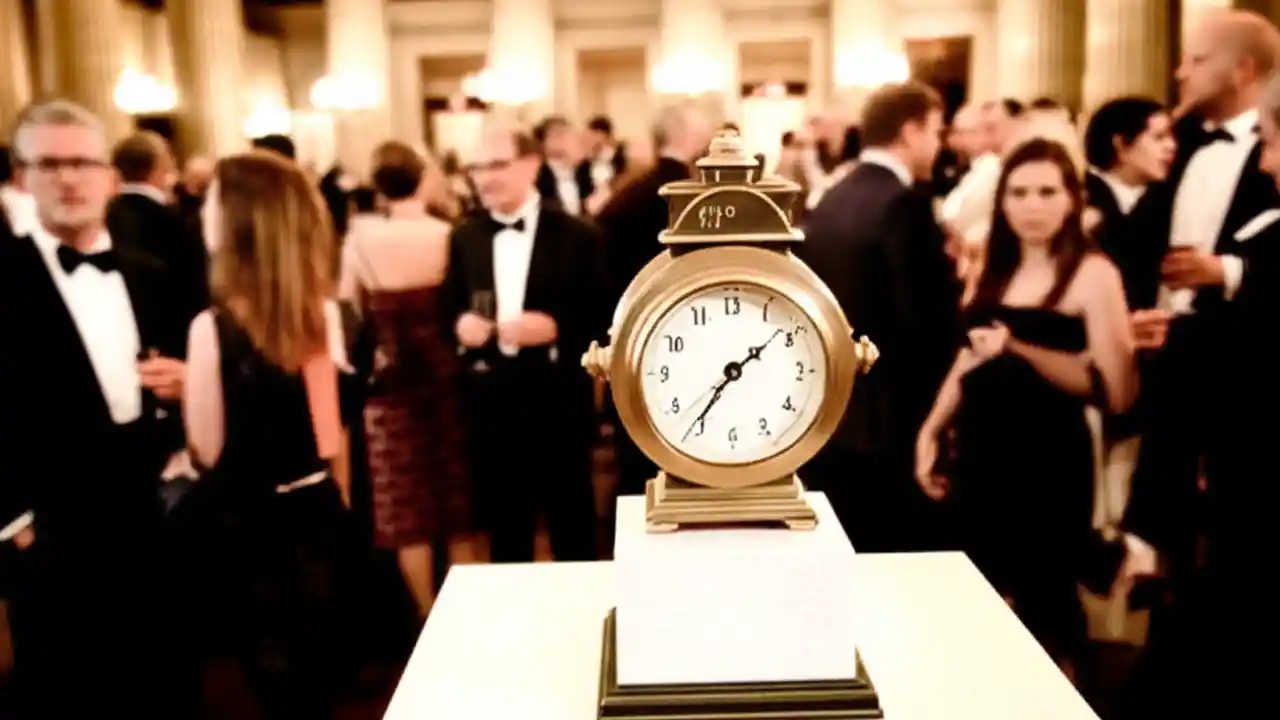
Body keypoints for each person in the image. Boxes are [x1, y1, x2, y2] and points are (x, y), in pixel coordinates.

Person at [0, 99, 195, 716]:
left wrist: (191, 388)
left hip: (157, 523)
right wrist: (13, 525)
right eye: (49, 163)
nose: (68, 178)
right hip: (53, 535)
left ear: (110, 175)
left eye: (82, 162)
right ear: (21, 177)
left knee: (168, 685)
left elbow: (201, 380)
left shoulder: (154, 272)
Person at [915, 138, 1136, 671]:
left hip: (1050, 465)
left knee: (1047, 608)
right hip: (980, 458)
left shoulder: (1094, 274)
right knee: (979, 604)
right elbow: (970, 356)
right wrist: (929, 431)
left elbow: (1116, 389)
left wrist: (1019, 348)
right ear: (1002, 200)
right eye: (1018, 192)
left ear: (1071, 199)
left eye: (1046, 191)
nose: (1032, 206)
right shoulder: (994, 264)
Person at [185, 150, 354, 717]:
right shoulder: (326, 315)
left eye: (212, 199)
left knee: (269, 681)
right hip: (315, 511)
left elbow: (206, 448)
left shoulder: (211, 327)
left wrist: (191, 387)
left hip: (248, 526)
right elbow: (329, 438)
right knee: (319, 675)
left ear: (238, 220)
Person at [796, 81, 960, 552]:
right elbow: (925, 324)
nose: (939, 145)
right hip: (893, 420)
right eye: (935, 132)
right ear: (910, 132)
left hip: (835, 414)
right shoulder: (902, 203)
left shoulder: (832, 197)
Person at [442, 123, 605, 563]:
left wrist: (557, 329)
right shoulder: (465, 237)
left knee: (572, 528)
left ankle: (585, 623)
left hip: (557, 400)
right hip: (491, 402)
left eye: (496, 165)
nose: (484, 177)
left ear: (532, 165)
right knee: (504, 532)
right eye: (476, 168)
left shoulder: (578, 235)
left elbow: (605, 317)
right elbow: (448, 310)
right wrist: (460, 329)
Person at [339, 141, 481, 619]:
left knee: (407, 517)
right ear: (422, 178)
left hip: (390, 386)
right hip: (446, 379)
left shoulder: (358, 241)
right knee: (459, 511)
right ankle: (464, 616)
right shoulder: (446, 233)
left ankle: (425, 616)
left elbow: (350, 309)